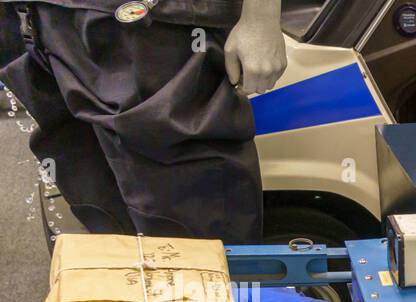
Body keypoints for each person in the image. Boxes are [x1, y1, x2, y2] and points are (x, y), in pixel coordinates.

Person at [0, 0, 287, 243]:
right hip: (48, 20)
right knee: (106, 224)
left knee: (196, 241)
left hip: (156, 26)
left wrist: (261, 17)